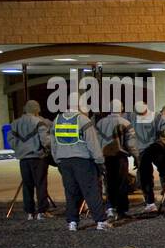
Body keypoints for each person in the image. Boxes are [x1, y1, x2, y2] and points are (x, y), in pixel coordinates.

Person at [51, 97, 109, 231]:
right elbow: (92, 144)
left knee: (71, 192)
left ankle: (72, 222)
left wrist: (58, 160)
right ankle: (100, 221)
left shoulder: (57, 120)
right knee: (91, 191)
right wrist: (100, 161)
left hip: (64, 162)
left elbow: (53, 143)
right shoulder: (83, 120)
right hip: (82, 161)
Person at [95, 99, 139, 221]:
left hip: (104, 156)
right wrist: (136, 156)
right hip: (119, 157)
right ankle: (121, 210)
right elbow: (131, 143)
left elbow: (96, 141)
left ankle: (109, 207)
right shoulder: (125, 122)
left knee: (108, 182)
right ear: (121, 108)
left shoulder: (100, 123)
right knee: (121, 183)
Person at [9, 100, 53, 220]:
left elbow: (11, 140)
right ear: (36, 110)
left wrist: (20, 149)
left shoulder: (15, 123)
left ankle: (29, 212)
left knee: (27, 185)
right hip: (38, 158)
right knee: (40, 184)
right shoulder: (39, 122)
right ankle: (42, 211)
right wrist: (49, 149)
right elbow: (45, 140)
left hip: (23, 159)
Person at [132, 101, 165, 213]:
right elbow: (164, 131)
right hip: (149, 149)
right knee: (152, 175)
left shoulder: (153, 117)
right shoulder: (155, 117)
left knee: (149, 175)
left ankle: (154, 201)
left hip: (149, 149)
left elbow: (164, 131)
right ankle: (160, 199)